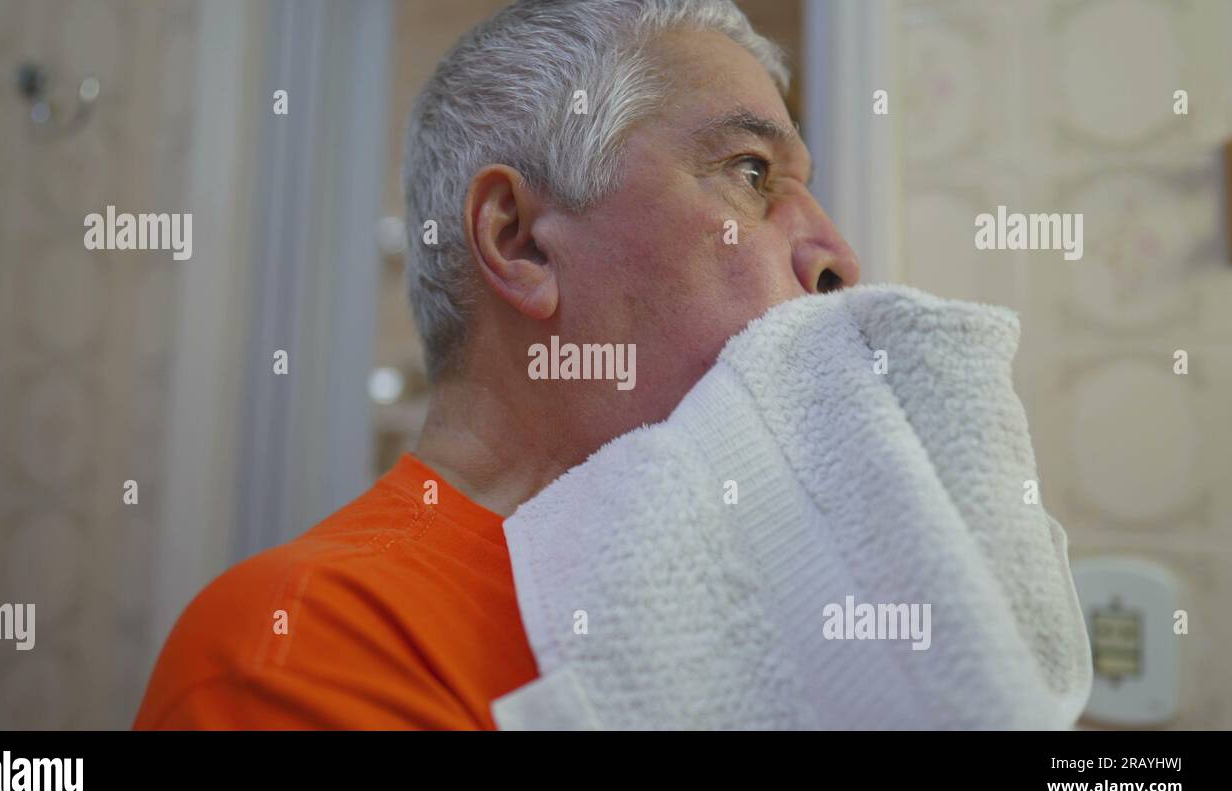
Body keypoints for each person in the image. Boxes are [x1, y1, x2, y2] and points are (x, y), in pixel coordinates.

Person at [134, 0, 859, 730]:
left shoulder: (770, 606)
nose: (837, 258)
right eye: (752, 172)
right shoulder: (299, 648)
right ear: (522, 245)